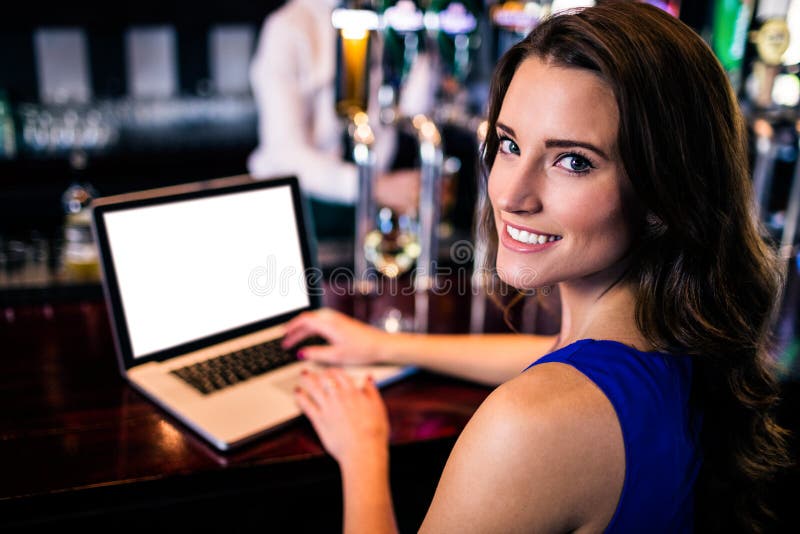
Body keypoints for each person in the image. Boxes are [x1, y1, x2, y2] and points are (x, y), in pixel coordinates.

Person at [283, 3, 791, 532]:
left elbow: (550, 396)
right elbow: (553, 357)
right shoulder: (678, 343)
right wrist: (385, 347)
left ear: (666, 191)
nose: (510, 194)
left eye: (573, 161)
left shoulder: (530, 425)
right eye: (509, 144)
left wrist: (362, 449)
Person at [247, 0, 435, 237]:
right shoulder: (287, 27)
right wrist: (375, 186)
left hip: (369, 208)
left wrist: (425, 42)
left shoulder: (384, 17)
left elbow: (411, 110)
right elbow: (284, 153)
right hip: (302, 208)